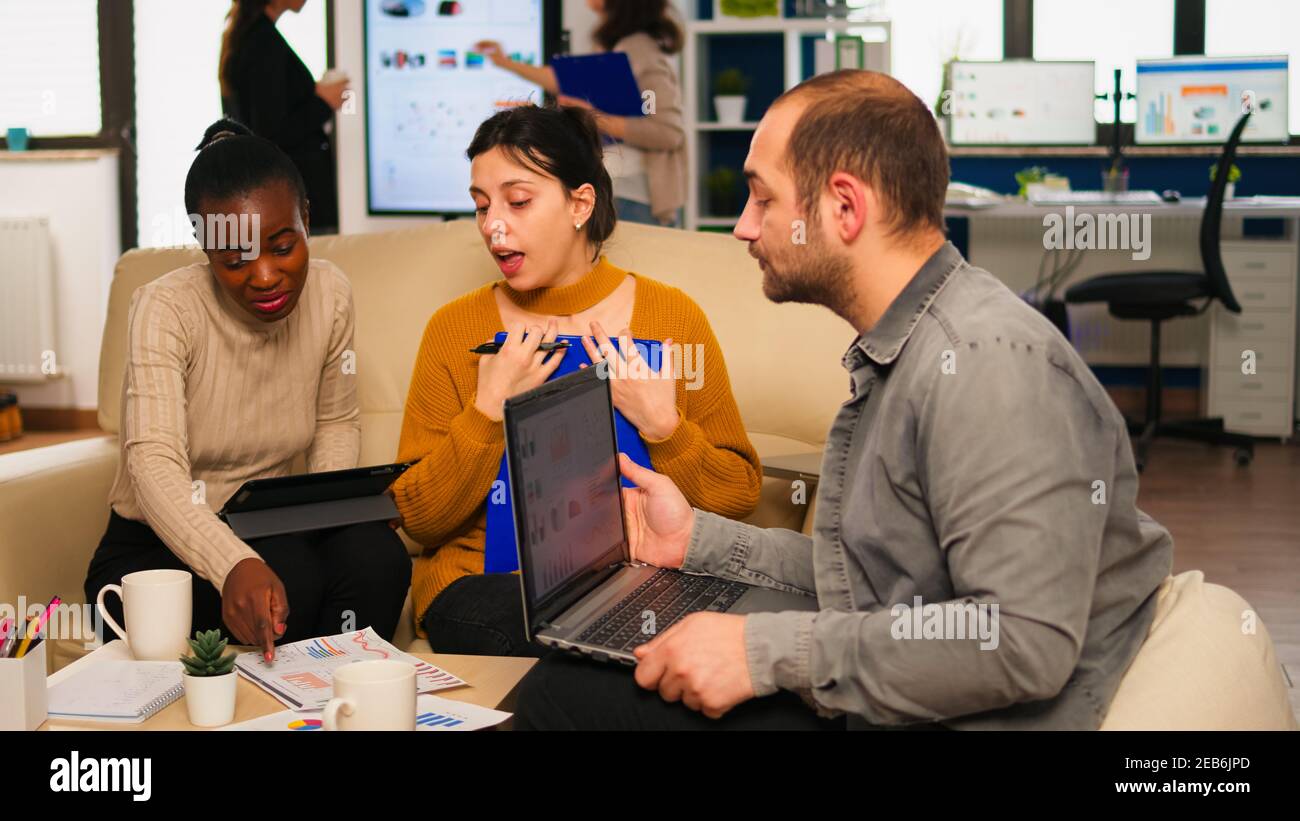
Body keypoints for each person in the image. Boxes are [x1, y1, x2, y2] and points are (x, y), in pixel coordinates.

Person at [512, 70, 1174, 730]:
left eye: (762, 198)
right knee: (572, 674)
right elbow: (873, 577)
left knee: (557, 697)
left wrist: (762, 651)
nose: (743, 227)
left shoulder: (986, 366)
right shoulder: (906, 349)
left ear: (844, 208)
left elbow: (1021, 640)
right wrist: (696, 542)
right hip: (901, 701)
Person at [389, 103, 760, 657]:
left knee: (675, 635)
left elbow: (738, 497)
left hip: (636, 578)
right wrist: (487, 411)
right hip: (483, 590)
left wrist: (665, 427)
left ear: (580, 203)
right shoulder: (454, 329)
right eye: (482, 205)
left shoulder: (672, 317)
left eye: (518, 202)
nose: (493, 225)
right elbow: (418, 519)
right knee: (603, 637)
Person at [85, 119, 410, 663]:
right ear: (205, 247)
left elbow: (335, 421)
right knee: (294, 581)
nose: (264, 276)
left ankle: (343, 701)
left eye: (282, 247)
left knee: (377, 556)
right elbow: (154, 465)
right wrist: (230, 562)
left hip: (269, 527)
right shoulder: (165, 308)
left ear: (307, 218)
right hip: (155, 549)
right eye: (234, 261)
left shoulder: (330, 293)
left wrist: (329, 513)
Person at [476, 0, 686, 227]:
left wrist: (594, 117)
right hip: (621, 195)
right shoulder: (622, 47)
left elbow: (668, 132)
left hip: (634, 199)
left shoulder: (638, 49)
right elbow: (562, 81)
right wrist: (504, 62)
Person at [219, 0, 346, 233]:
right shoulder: (263, 43)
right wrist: (323, 102)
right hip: (292, 200)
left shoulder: (248, 38)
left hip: (277, 197)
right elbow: (271, 131)